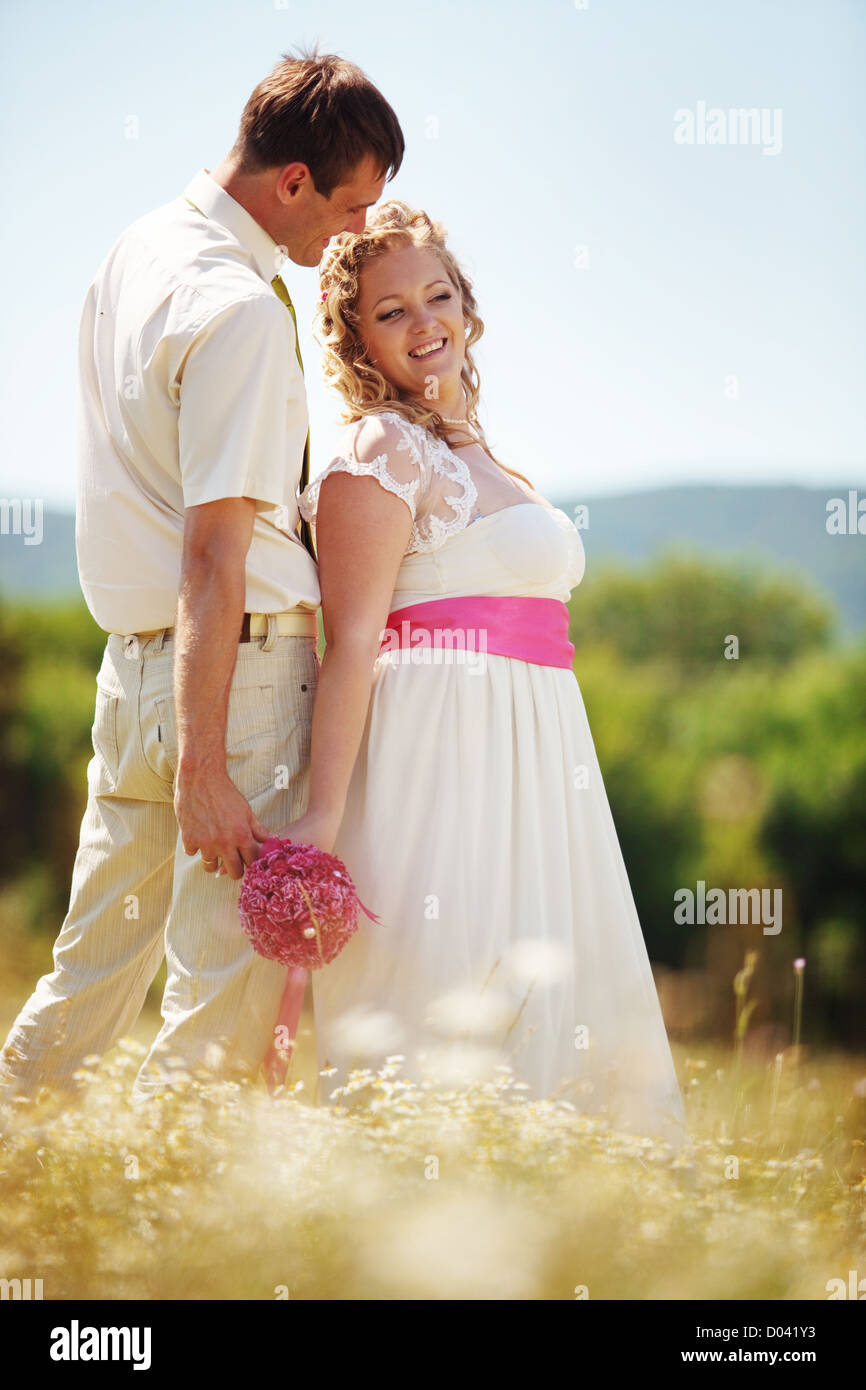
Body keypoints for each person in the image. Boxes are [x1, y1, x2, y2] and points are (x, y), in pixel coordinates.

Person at [0, 47, 403, 1104]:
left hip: (130, 680)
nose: (354, 234)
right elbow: (215, 553)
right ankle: (168, 1247)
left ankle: (20, 1178)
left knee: (86, 974)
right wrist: (206, 767)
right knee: (217, 1005)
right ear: (292, 184)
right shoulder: (236, 308)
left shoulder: (133, 253)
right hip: (233, 683)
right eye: (351, 206)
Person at [284, 201, 686, 1143]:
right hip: (440, 761)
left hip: (542, 763)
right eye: (391, 312)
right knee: (448, 1002)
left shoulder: (481, 452)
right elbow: (348, 644)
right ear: (355, 338)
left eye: (438, 295)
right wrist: (320, 820)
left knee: (556, 994)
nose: (424, 324)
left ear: (467, 305)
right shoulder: (378, 451)